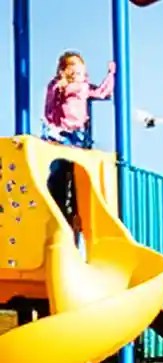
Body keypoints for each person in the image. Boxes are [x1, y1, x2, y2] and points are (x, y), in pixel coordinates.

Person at [41, 51, 114, 233]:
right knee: (59, 173)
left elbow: (102, 92)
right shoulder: (59, 86)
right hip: (61, 135)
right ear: (65, 71)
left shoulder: (82, 87)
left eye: (82, 71)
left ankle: (74, 214)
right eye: (75, 70)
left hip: (76, 136)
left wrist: (111, 74)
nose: (80, 74)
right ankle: (60, 212)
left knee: (75, 175)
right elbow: (50, 109)